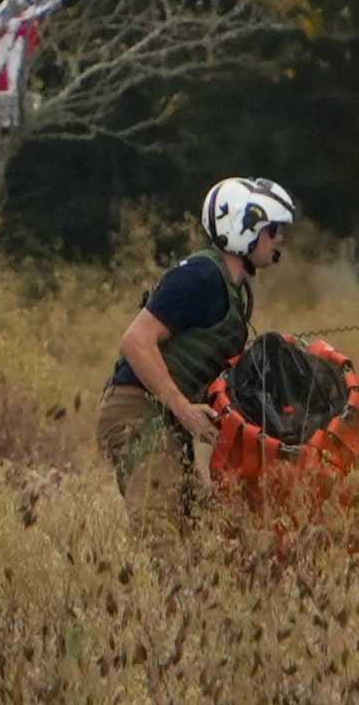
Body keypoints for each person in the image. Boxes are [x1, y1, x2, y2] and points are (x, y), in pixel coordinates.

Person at [95, 175, 295, 531]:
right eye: (272, 228)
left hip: (165, 417)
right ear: (242, 228)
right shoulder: (201, 276)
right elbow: (136, 340)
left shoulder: (231, 289)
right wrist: (184, 409)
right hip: (139, 410)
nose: (278, 238)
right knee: (161, 531)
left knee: (199, 534)